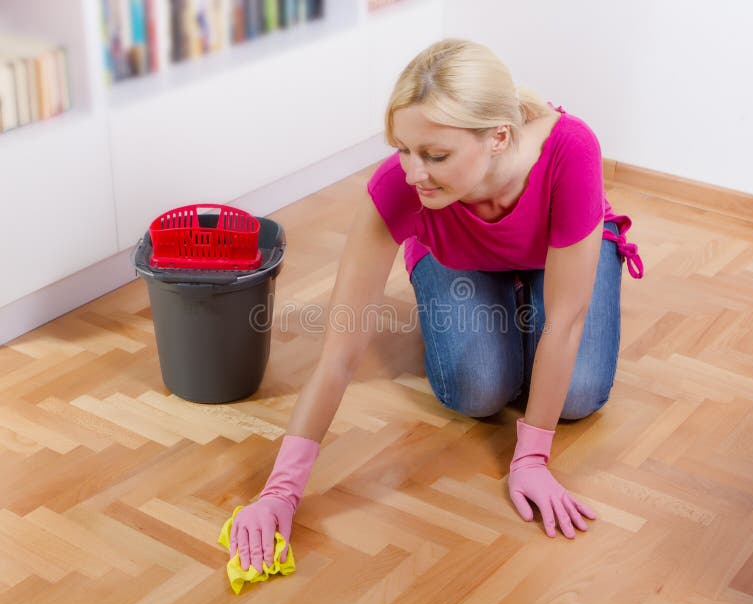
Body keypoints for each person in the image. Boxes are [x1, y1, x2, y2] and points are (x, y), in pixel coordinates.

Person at [228, 38, 644, 572]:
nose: (412, 172)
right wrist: (279, 493)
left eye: (435, 155)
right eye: (403, 148)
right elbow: (338, 354)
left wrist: (532, 457)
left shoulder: (570, 148)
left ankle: (518, 302)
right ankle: (506, 310)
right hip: (461, 254)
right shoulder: (402, 190)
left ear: (498, 137)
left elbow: (566, 320)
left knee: (580, 395)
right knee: (478, 390)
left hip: (552, 253)